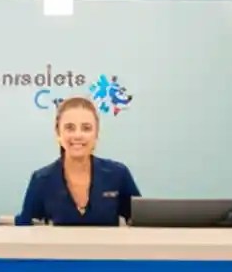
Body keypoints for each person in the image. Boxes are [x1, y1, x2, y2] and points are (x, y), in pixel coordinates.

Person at [16, 96, 140, 226]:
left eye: (86, 128)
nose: (78, 135)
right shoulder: (41, 180)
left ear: (96, 134)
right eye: (70, 128)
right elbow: (25, 228)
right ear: (58, 133)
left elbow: (142, 222)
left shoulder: (118, 175)